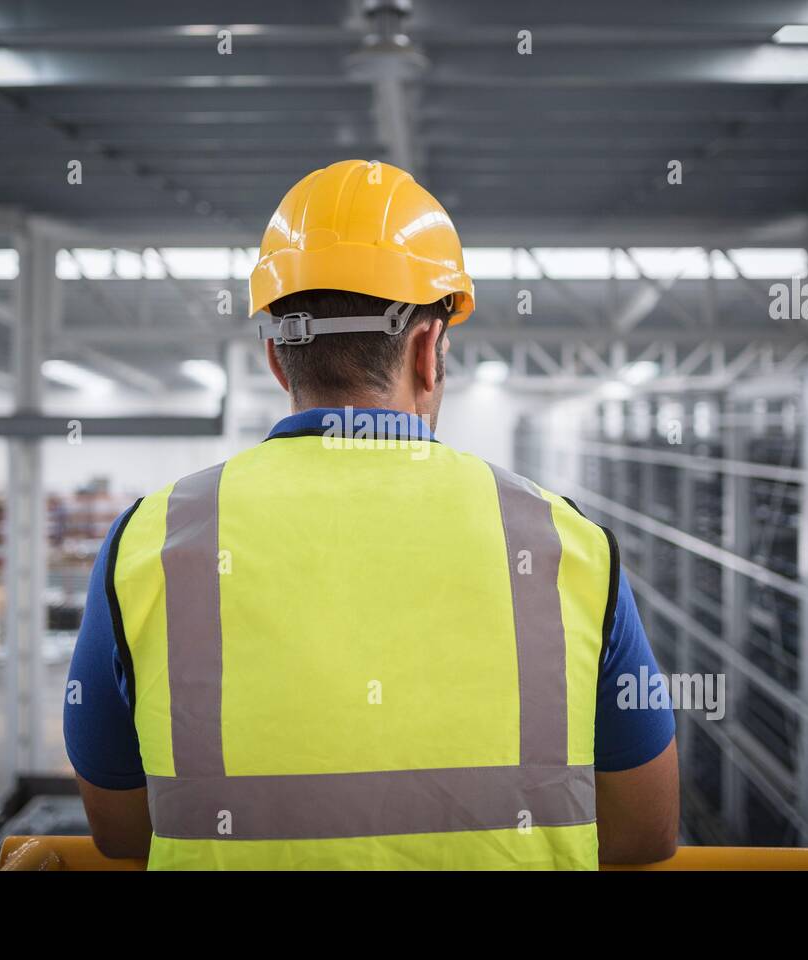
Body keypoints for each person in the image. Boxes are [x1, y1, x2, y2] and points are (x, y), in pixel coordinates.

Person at [64, 159, 678, 870]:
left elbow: (120, 834)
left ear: (275, 358)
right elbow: (643, 835)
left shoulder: (148, 542)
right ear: (427, 351)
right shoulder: (569, 545)